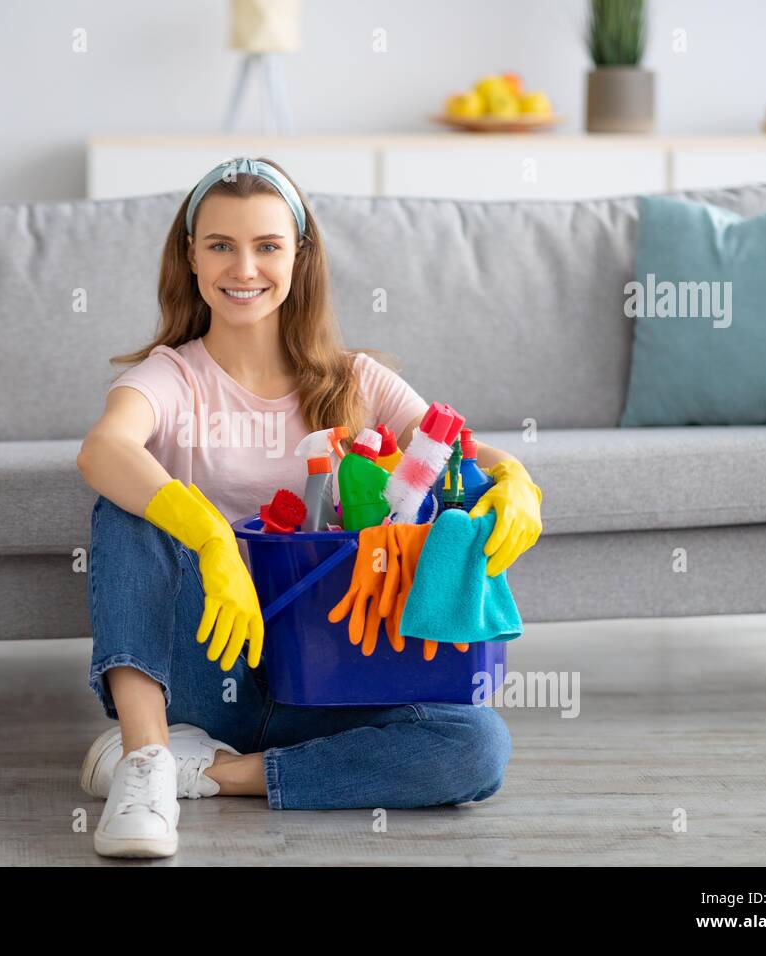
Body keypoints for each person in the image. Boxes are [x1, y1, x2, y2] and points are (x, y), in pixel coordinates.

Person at [75, 157, 542, 858]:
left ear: (300, 255)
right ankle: (145, 763)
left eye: (267, 246)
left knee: (477, 746)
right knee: (127, 508)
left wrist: (518, 483)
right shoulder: (172, 377)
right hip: (212, 665)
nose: (244, 268)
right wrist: (209, 537)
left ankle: (211, 772)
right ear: (191, 257)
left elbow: (458, 455)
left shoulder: (356, 380)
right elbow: (104, 449)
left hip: (329, 679)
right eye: (221, 245)